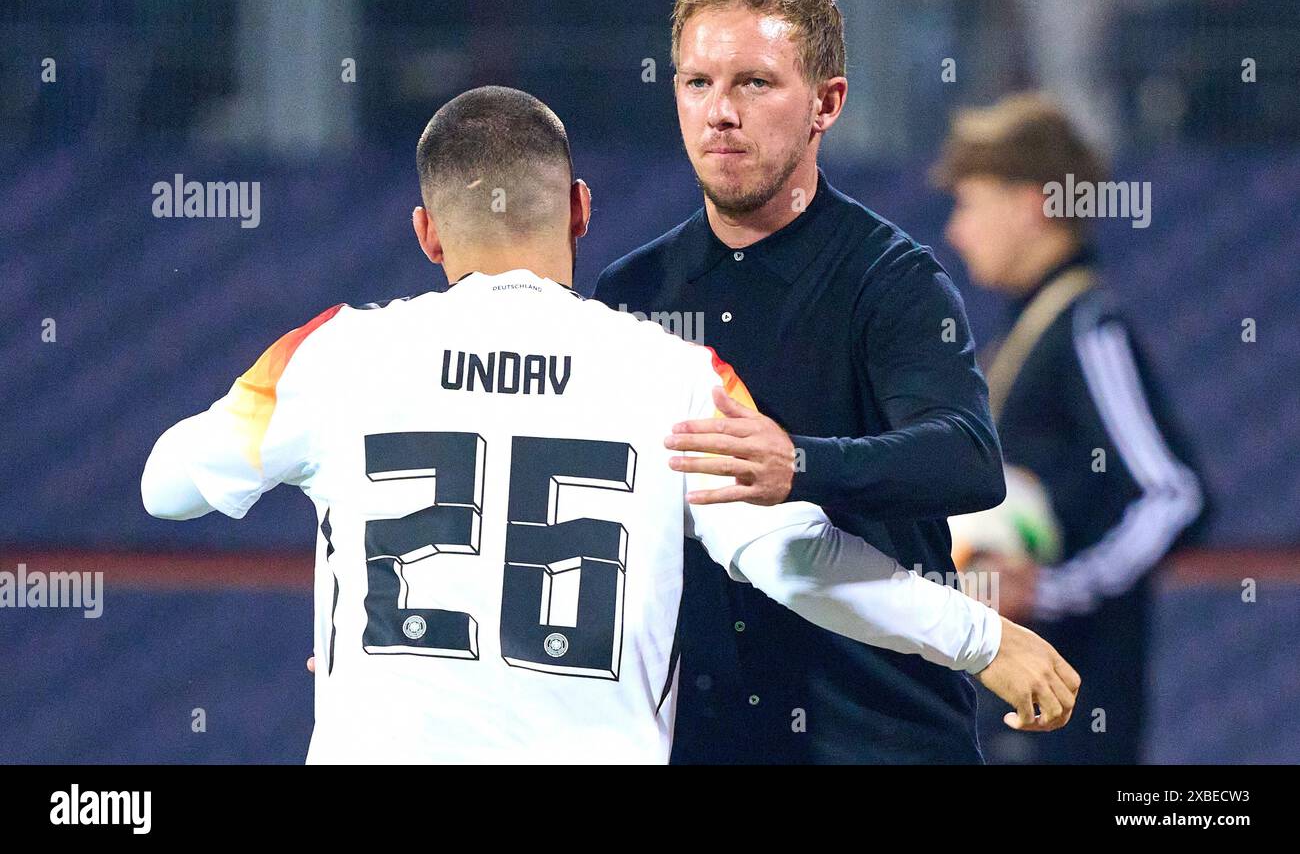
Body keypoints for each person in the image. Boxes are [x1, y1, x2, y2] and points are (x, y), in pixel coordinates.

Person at [140, 86, 1077, 764]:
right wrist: (984, 638)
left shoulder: (330, 358)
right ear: (580, 212)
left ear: (427, 234)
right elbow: (798, 563)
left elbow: (166, 484)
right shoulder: (676, 376)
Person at [594, 0, 1010, 764]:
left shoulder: (892, 280)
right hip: (701, 740)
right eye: (697, 83)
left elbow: (968, 459)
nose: (720, 112)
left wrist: (802, 465)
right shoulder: (630, 290)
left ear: (827, 103)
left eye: (755, 82)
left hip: (883, 737)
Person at [932, 92, 1205, 763]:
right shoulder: (1025, 335)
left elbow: (1175, 494)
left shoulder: (1087, 327)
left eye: (970, 202)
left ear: (1033, 204)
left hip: (1075, 727)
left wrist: (1053, 588)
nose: (956, 231)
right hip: (1013, 717)